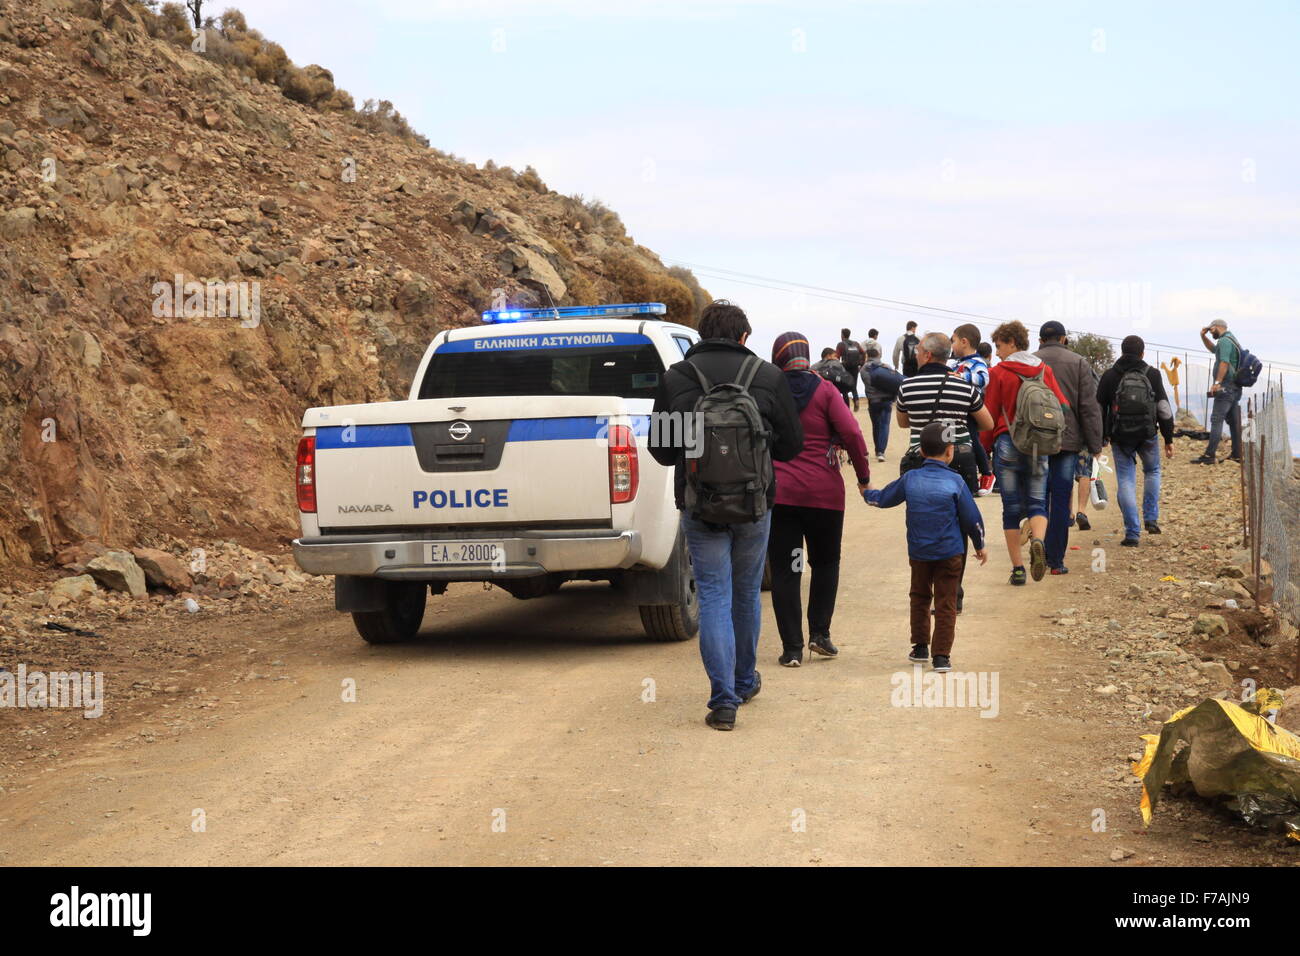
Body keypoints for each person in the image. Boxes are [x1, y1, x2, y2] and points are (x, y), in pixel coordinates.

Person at [649, 301, 803, 731]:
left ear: (700, 335)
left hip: (700, 505)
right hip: (754, 504)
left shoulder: (678, 378)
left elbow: (662, 452)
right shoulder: (767, 377)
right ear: (744, 337)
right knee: (746, 592)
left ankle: (723, 702)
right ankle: (743, 679)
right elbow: (791, 447)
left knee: (714, 594)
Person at [767, 332, 871, 667]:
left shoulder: (769, 392)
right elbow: (853, 433)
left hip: (781, 497)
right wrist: (863, 477)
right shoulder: (825, 390)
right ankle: (820, 635)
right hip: (823, 497)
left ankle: (792, 648)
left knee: (788, 569)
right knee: (824, 564)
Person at [866, 421, 988, 673]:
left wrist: (867, 493)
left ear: (921, 451)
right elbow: (971, 518)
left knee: (919, 597)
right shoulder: (956, 482)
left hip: (919, 552)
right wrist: (980, 544)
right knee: (946, 601)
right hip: (950, 553)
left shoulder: (910, 478)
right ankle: (941, 656)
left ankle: (920, 646)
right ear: (950, 451)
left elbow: (884, 498)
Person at [895, 332, 993, 613]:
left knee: (920, 520)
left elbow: (903, 423)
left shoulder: (908, 386)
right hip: (958, 459)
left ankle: (923, 591)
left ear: (926, 355)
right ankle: (953, 594)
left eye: (917, 352)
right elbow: (986, 423)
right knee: (959, 521)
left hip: (920, 459)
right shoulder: (962, 385)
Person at [980, 320, 1071, 585]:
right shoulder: (1043, 370)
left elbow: (989, 415)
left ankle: (1018, 569)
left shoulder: (999, 372)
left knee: (1011, 509)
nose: (997, 352)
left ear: (1011, 343)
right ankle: (1039, 542)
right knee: (1037, 503)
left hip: (1007, 443)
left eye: (999, 346)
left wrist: (984, 451)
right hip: (1038, 445)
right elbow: (1062, 407)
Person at [1035, 321, 1104, 575]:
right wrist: (1095, 443)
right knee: (1062, 498)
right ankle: (1055, 562)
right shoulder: (1078, 363)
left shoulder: (1031, 362)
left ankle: (1037, 543)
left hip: (1035, 441)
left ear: (1040, 340)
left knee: (1039, 496)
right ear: (1063, 339)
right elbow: (1088, 406)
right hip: (1067, 439)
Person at [1095, 335, 1174, 546]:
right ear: (1142, 353)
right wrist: (1168, 437)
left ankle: (1132, 533)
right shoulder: (1153, 374)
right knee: (1153, 471)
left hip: (1120, 436)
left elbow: (1099, 409)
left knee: (1126, 480)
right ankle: (1151, 518)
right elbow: (1164, 409)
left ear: (1121, 352)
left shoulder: (1110, 376)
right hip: (1147, 434)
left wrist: (1102, 436)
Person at [951, 323, 996, 496]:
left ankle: (987, 473)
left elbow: (984, 379)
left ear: (964, 342)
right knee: (964, 441)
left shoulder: (977, 362)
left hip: (971, 406)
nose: (951, 346)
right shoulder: (956, 363)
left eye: (953, 341)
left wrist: (962, 376)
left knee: (973, 439)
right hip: (959, 407)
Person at [1193, 318, 1243, 464]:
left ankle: (1210, 455)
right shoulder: (1229, 340)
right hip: (1234, 387)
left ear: (1216, 327)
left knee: (1216, 419)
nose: (1210, 331)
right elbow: (1213, 350)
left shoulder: (1225, 341)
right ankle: (1237, 454)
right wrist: (1203, 336)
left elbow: (1224, 362)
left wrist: (1217, 382)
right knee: (1234, 422)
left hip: (1226, 387)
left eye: (1211, 329)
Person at [862, 347, 902, 461]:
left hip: (873, 401)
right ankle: (881, 452)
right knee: (884, 425)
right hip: (887, 400)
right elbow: (893, 384)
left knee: (876, 426)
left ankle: (877, 449)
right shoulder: (886, 367)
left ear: (867, 356)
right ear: (878, 355)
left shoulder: (864, 369)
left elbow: (868, 386)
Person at [835, 329, 866, 411]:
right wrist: (861, 365)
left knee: (844, 389)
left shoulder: (840, 345)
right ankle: (856, 400)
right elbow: (863, 353)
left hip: (845, 368)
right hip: (855, 368)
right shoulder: (856, 344)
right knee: (853, 386)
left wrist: (838, 367)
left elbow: (836, 358)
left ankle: (846, 408)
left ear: (842, 335)